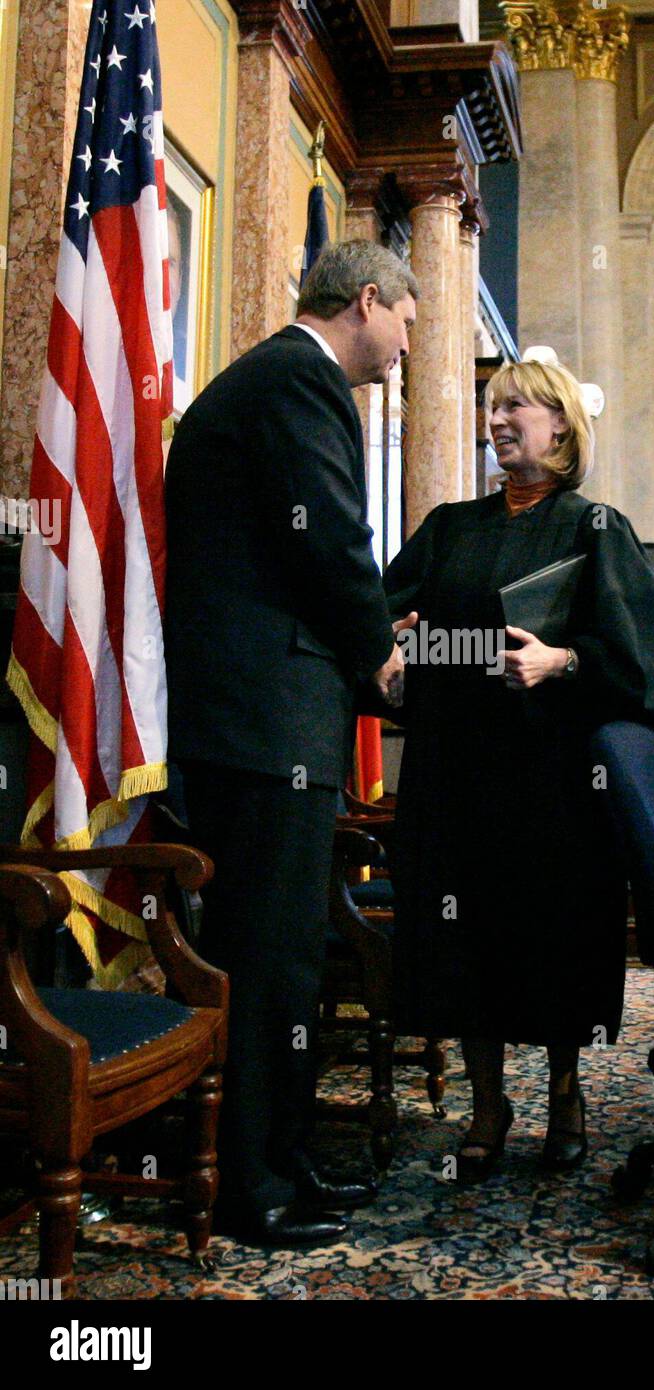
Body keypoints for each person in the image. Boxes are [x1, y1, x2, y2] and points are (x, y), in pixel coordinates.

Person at [381, 357, 654, 1181]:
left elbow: (646, 669)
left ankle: (563, 1093)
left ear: (560, 426)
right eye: (491, 405)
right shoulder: (449, 526)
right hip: (454, 776)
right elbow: (383, 616)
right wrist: (397, 650)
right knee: (461, 944)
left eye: (517, 404)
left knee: (555, 941)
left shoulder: (596, 529)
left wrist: (561, 662)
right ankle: (488, 1104)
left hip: (555, 786)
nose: (499, 417)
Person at [164, 240, 418, 1246]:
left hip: (270, 725)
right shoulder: (298, 382)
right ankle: (250, 1188)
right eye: (407, 322)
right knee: (269, 963)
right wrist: (381, 661)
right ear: (368, 300)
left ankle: (286, 1158)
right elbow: (329, 544)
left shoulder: (277, 380)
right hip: (266, 726)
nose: (405, 346)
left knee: (293, 958)